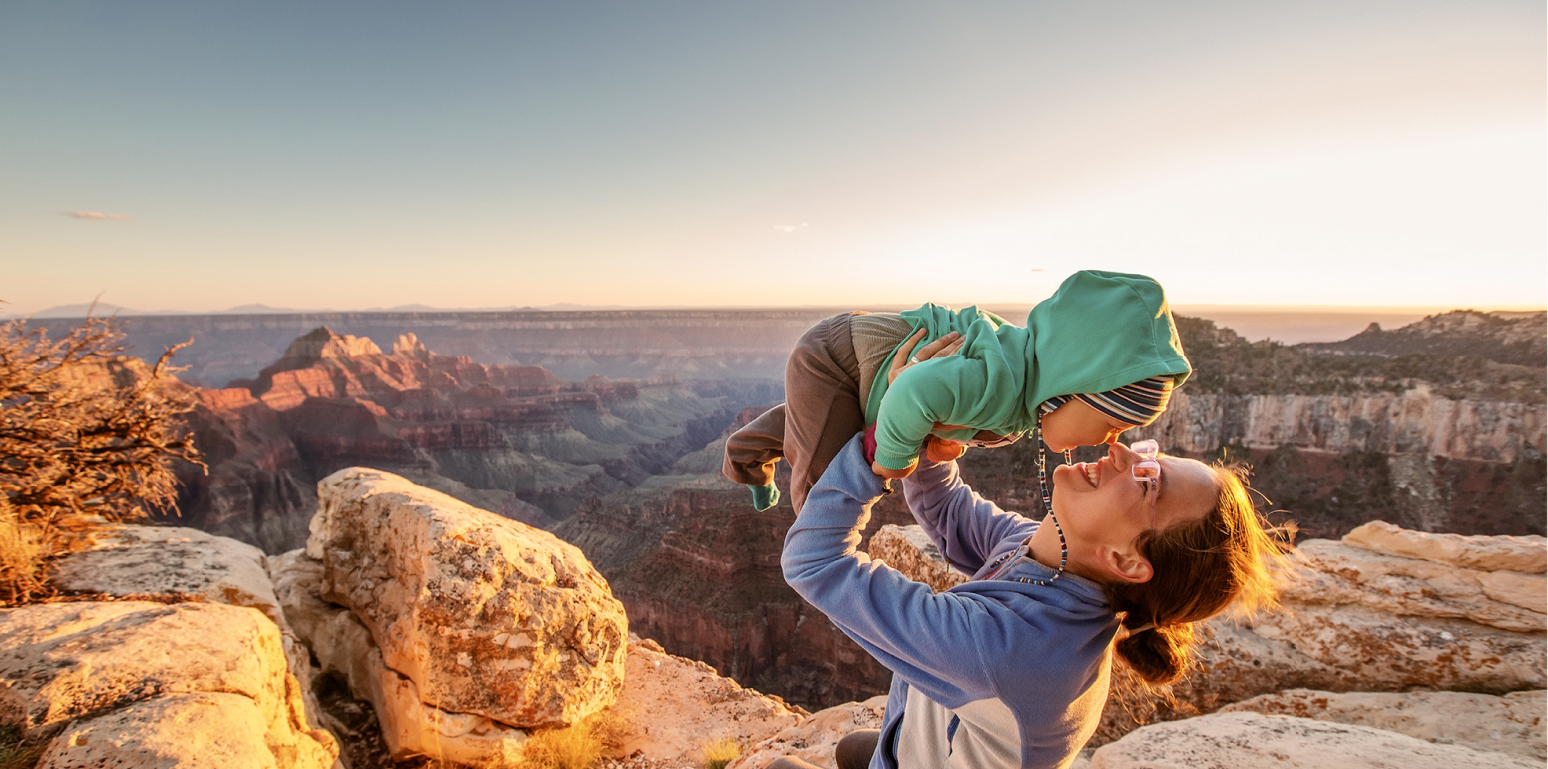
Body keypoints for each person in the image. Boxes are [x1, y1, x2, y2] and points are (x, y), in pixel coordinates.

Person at [773, 375, 1292, 768]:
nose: (1121, 451)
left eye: (1149, 480)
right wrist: (932, 422)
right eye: (1149, 452)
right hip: (915, 741)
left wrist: (873, 455)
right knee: (851, 748)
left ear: (1128, 561)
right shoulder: (1050, 552)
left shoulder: (1014, 648)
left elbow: (815, 563)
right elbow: (944, 504)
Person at [723, 270, 1191, 514]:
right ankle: (805, 535)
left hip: (857, 365)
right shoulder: (1001, 386)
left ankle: (743, 457)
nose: (1112, 440)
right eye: (1114, 423)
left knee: (806, 425)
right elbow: (914, 396)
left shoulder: (1026, 385)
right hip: (835, 360)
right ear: (1075, 389)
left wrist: (950, 439)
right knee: (823, 482)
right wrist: (895, 461)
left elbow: (947, 408)